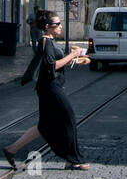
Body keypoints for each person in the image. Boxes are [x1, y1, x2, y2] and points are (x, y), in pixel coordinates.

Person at [20, 10, 91, 169]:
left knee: (45, 126)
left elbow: (53, 64)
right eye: (57, 24)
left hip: (52, 85)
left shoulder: (50, 41)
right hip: (49, 87)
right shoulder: (45, 41)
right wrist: (73, 54)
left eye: (60, 23)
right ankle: (73, 158)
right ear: (47, 27)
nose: (60, 26)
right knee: (69, 118)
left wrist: (76, 61)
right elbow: (52, 67)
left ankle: (10, 150)